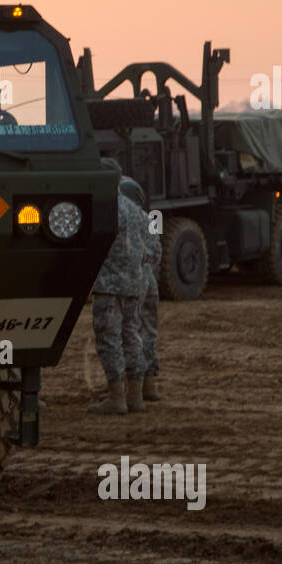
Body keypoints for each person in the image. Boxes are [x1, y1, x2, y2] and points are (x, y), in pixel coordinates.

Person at [88, 171, 149, 415]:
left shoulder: (106, 210)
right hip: (135, 284)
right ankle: (136, 396)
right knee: (132, 336)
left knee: (109, 338)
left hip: (109, 285)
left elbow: (95, 245)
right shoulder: (137, 212)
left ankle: (116, 397)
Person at [122, 179, 162, 401]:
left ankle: (133, 391)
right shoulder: (149, 220)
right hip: (150, 282)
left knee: (130, 333)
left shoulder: (123, 218)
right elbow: (157, 254)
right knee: (148, 332)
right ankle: (150, 385)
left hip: (131, 281)